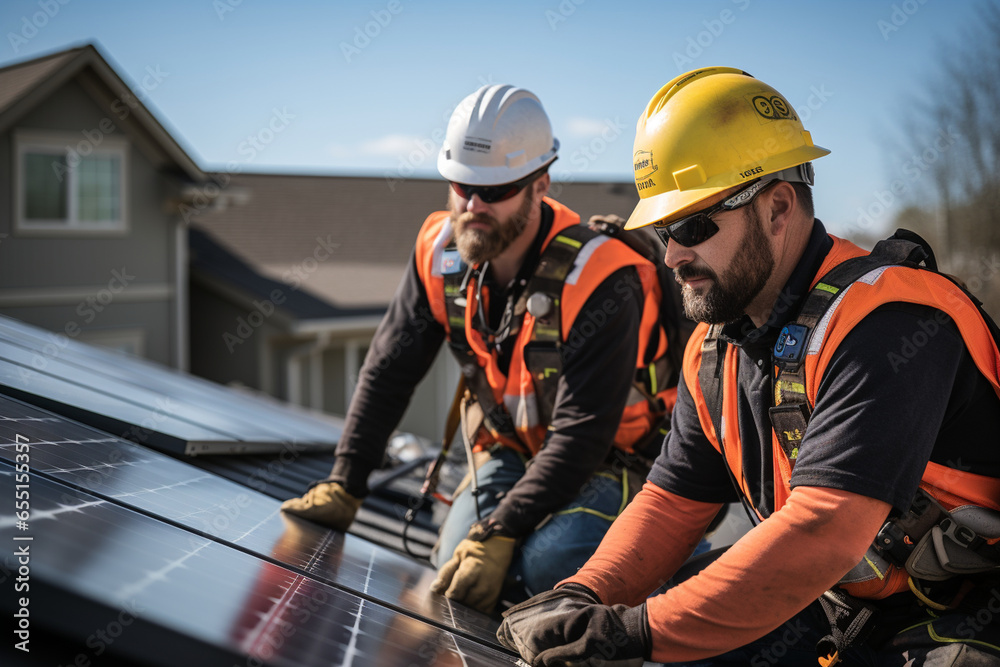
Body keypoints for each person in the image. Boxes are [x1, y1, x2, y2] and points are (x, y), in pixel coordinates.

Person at [497, 67, 1000, 666]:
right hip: (837, 606)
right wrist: (583, 594)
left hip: (963, 615)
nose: (674, 254)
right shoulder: (714, 354)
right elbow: (672, 502)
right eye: (662, 231)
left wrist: (633, 632)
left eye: (691, 225)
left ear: (778, 207)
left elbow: (824, 531)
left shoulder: (890, 323)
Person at [281, 83, 687, 614]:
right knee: (453, 567)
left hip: (622, 462)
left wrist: (501, 529)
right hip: (513, 448)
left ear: (540, 185)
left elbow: (583, 431)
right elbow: (389, 371)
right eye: (461, 186)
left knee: (548, 562)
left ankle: (660, 587)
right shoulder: (439, 253)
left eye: (494, 191)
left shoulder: (602, 276)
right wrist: (346, 481)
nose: (472, 206)